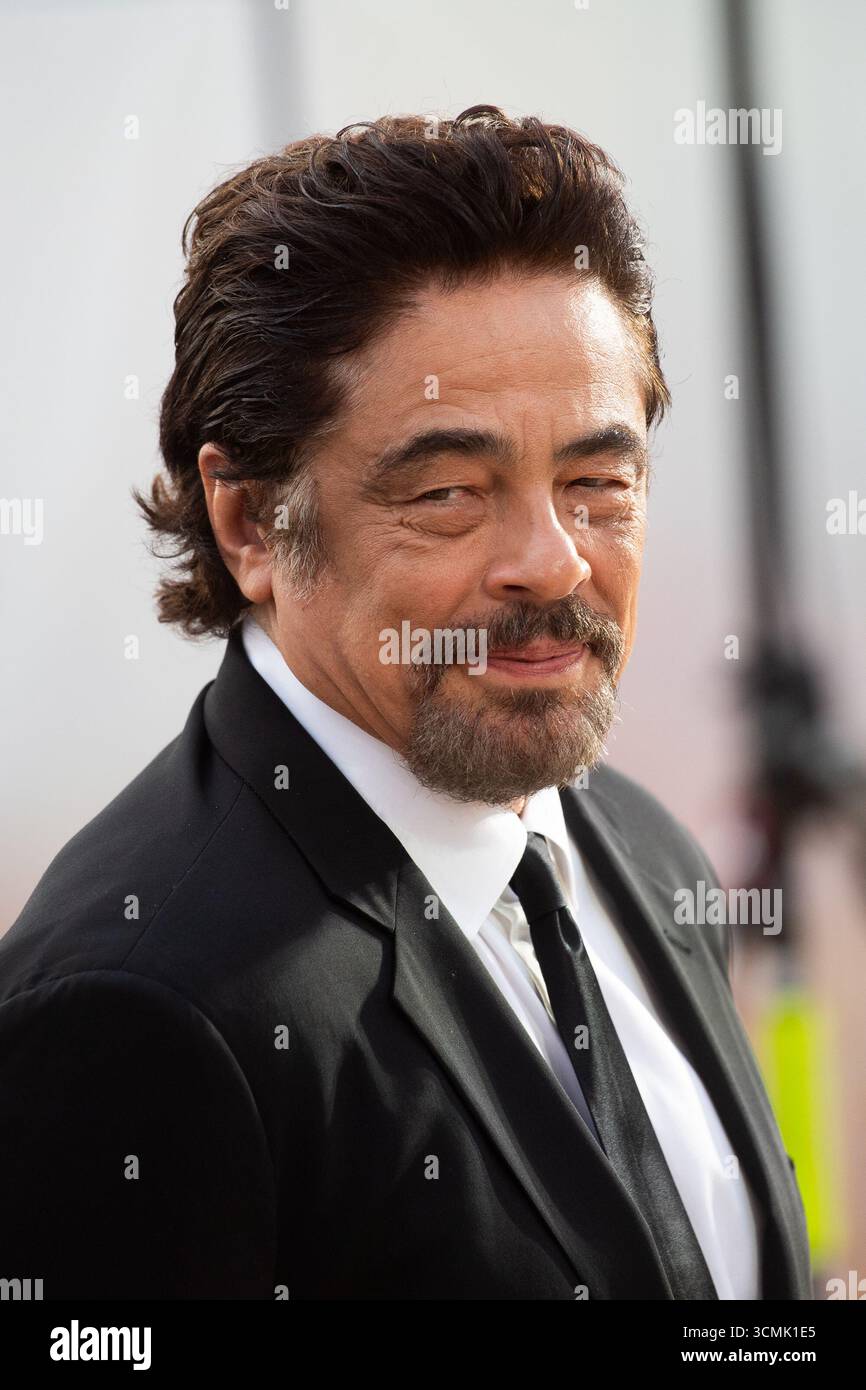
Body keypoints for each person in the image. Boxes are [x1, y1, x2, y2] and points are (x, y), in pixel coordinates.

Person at [0, 105, 811, 1299]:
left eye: (597, 481)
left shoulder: (638, 849)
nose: (552, 560)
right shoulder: (138, 1012)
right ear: (248, 524)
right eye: (445, 492)